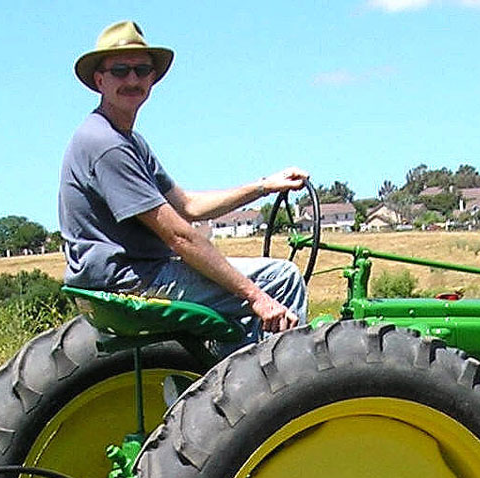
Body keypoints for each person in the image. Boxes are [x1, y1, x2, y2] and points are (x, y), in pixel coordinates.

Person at [59, 20, 309, 342]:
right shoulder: (106, 144)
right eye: (120, 70)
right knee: (281, 279)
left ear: (152, 78)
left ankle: (231, 379)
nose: (132, 79)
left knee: (251, 297)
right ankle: (270, 389)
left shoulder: (128, 140)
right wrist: (256, 297)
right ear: (99, 80)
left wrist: (263, 186)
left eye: (142, 70)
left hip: (134, 272)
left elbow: (188, 206)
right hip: (129, 280)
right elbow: (181, 236)